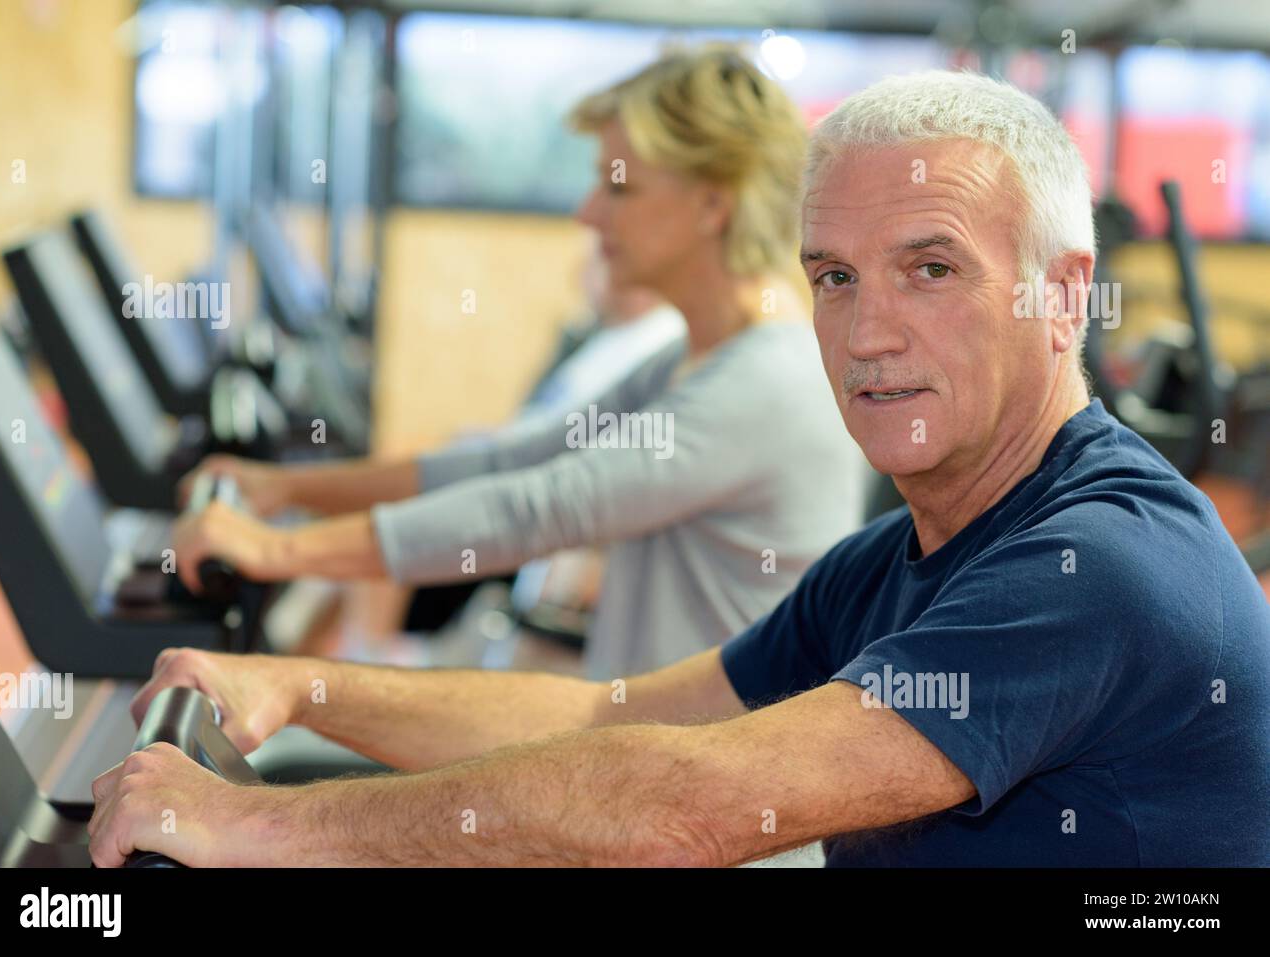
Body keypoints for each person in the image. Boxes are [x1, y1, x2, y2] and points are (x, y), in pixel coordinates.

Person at [90, 69, 1270, 868]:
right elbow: (612, 712)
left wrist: (255, 826)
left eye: (930, 269)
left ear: (1062, 295)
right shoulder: (893, 561)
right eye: (834, 277)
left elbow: (683, 807)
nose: (865, 335)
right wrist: (302, 690)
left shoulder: (1097, 564)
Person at [171, 46, 869, 680]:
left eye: (619, 188)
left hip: (706, 798)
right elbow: (514, 461)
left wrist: (277, 550)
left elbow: (541, 506)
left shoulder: (767, 379)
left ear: (713, 204)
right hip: (649, 755)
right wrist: (289, 489)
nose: (590, 215)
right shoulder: (690, 355)